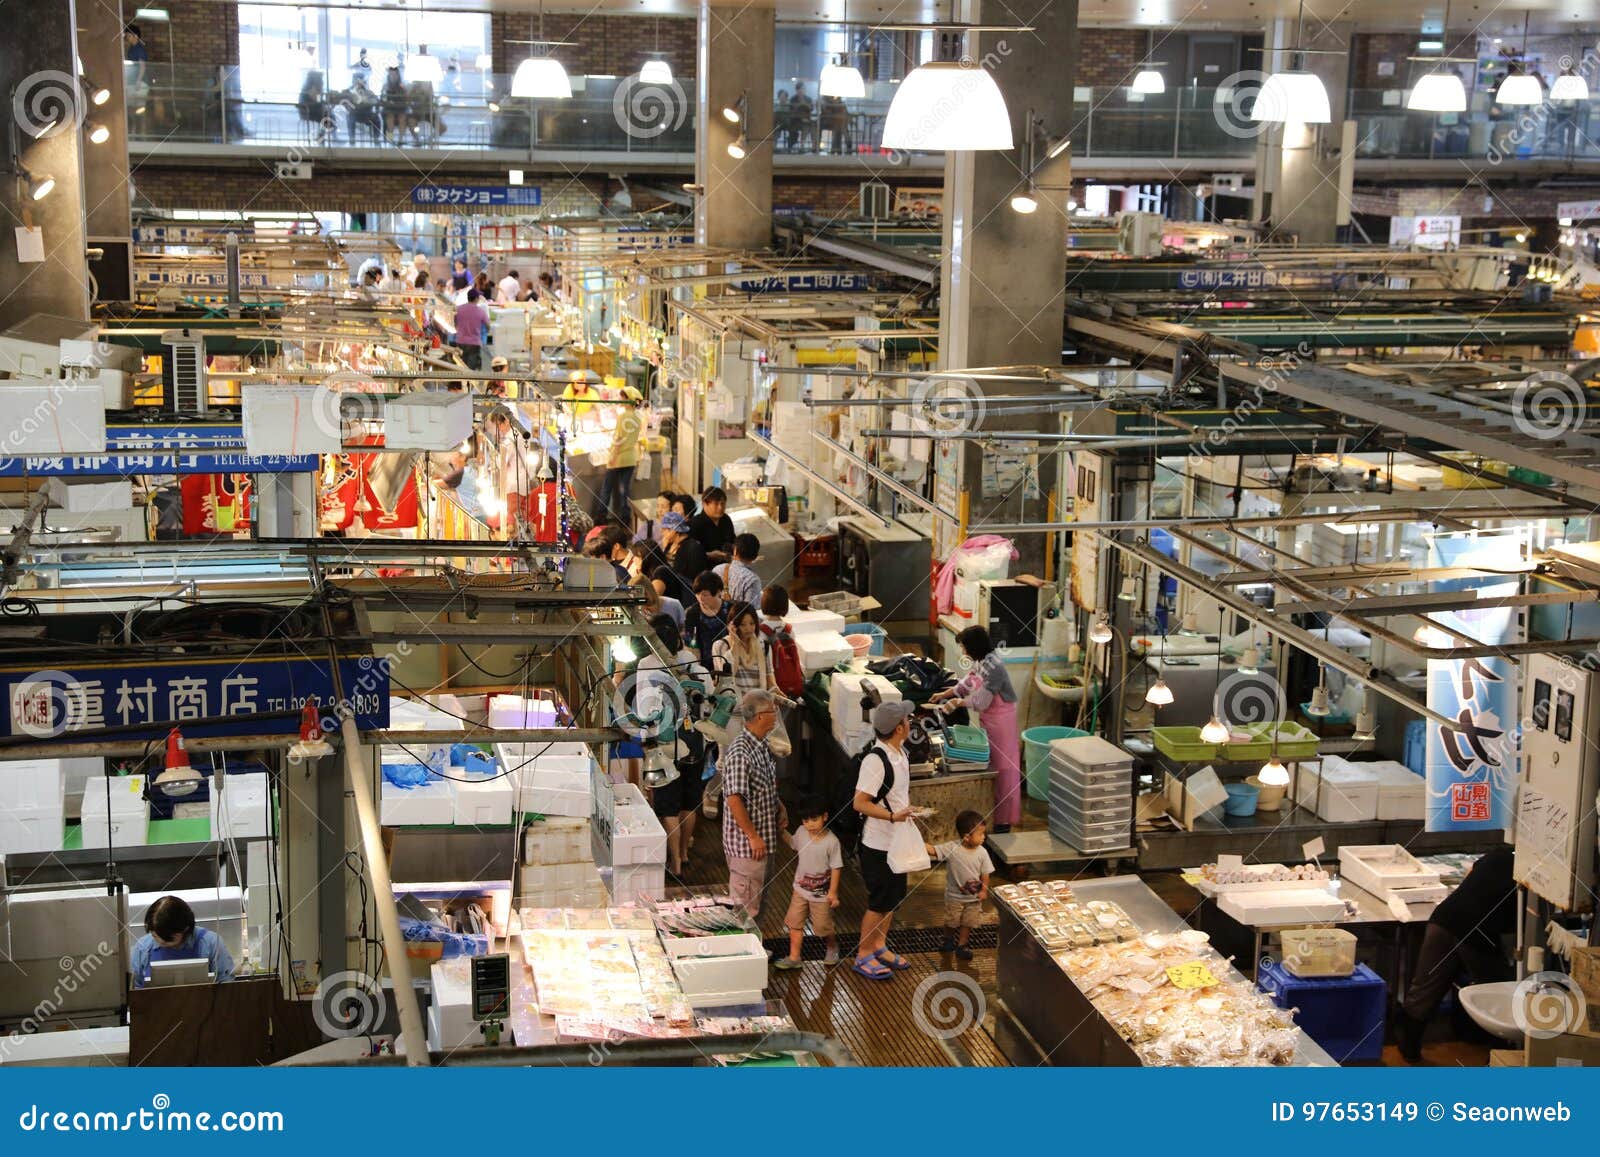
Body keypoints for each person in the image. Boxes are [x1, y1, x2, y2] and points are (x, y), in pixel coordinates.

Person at [1397, 845, 1517, 1063]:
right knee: (1498, 990)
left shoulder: (1500, 852)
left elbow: (1471, 872)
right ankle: (1501, 1057)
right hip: (1478, 930)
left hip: (1444, 918)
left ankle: (1409, 1050)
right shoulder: (1538, 873)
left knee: (1425, 987)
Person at [635, 613, 709, 875]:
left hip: (664, 746)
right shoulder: (691, 660)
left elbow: (644, 709)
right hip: (693, 740)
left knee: (667, 803)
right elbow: (707, 695)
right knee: (689, 801)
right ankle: (686, 852)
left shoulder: (646, 664)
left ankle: (674, 860)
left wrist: (645, 740)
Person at [930, 625, 1021, 833]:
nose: (963, 652)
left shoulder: (995, 667)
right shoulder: (983, 661)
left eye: (964, 647)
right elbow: (968, 682)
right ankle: (991, 813)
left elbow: (981, 701)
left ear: (974, 646)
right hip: (989, 721)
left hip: (1002, 722)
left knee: (1003, 771)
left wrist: (957, 703)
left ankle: (1003, 822)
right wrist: (946, 694)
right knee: (989, 767)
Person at [852, 700, 915, 981]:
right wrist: (892, 817)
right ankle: (863, 953)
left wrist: (906, 814)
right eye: (908, 719)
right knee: (879, 902)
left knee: (893, 899)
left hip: (898, 840)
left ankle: (879, 945)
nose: (911, 722)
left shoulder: (901, 754)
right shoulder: (875, 761)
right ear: (900, 727)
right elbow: (860, 803)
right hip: (878, 844)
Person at [721, 690, 786, 919]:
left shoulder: (761, 744)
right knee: (745, 911)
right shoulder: (740, 752)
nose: (776, 714)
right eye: (771, 710)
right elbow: (734, 798)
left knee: (759, 903)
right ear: (759, 716)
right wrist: (752, 836)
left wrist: (778, 805)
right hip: (747, 849)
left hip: (764, 843)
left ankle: (759, 950)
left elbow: (762, 784)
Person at [774, 798, 843, 969]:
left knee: (822, 927)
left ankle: (832, 946)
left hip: (821, 894)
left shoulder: (832, 842)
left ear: (825, 817)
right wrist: (782, 832)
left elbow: (836, 867)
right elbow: (793, 843)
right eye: (806, 821)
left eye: (814, 819)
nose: (810, 824)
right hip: (800, 890)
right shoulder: (801, 832)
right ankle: (794, 957)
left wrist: (833, 893)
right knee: (794, 923)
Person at [925, 810, 993, 959]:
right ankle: (948, 939)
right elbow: (933, 851)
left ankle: (962, 944)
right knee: (952, 921)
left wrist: (984, 890)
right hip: (954, 897)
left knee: (968, 922)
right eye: (980, 834)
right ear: (967, 837)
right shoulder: (952, 848)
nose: (984, 837)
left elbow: (986, 873)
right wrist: (914, 841)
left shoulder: (982, 852)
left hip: (973, 898)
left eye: (984, 833)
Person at [131, 895, 235, 988]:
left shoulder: (211, 943)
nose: (161, 941)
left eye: (168, 938)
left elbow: (226, 984)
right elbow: (136, 989)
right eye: (155, 936)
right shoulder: (143, 948)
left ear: (185, 928)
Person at [596, 386, 643, 524]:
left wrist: (613, 457)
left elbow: (618, 439)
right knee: (624, 490)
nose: (620, 399)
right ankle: (625, 518)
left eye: (622, 397)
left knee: (607, 488)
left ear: (629, 399)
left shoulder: (623, 417)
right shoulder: (638, 417)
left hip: (618, 458)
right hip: (631, 458)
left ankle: (601, 517)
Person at [656, 511, 707, 605]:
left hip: (685, 597)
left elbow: (695, 579)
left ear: (674, 530)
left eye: (664, 529)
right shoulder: (669, 544)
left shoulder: (693, 548)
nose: (662, 532)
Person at [683, 571, 730, 667]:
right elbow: (691, 644)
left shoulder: (731, 610)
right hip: (704, 665)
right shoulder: (692, 613)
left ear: (718, 592)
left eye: (704, 595)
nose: (700, 598)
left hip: (728, 662)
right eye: (697, 594)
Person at [688, 485, 737, 562]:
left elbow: (732, 540)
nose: (720, 507)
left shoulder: (726, 519)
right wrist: (708, 555)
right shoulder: (694, 523)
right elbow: (690, 553)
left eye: (722, 503)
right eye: (716, 504)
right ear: (704, 504)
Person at [718, 532, 762, 611]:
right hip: (737, 622)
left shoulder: (717, 570)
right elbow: (751, 610)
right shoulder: (753, 580)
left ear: (735, 551)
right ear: (755, 556)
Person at [453, 288, 488, 370]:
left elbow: (455, 323)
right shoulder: (480, 311)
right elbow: (488, 325)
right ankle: (470, 382)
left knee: (460, 366)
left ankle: (461, 382)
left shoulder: (459, 309)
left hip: (460, 341)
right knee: (471, 369)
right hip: (474, 343)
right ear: (476, 298)